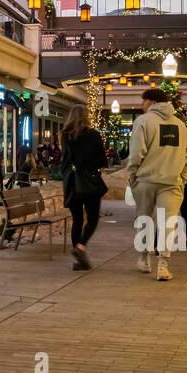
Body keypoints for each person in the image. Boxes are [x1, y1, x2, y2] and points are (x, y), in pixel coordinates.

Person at [127, 88, 187, 282]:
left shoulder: (143, 122)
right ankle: (163, 265)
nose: (141, 105)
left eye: (143, 101)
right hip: (172, 182)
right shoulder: (180, 125)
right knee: (168, 222)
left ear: (151, 102)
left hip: (145, 180)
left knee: (144, 219)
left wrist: (132, 176)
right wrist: (184, 177)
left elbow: (136, 152)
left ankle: (144, 259)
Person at [58, 105, 108, 271]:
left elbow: (64, 160)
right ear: (86, 116)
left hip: (71, 182)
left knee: (77, 220)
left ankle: (79, 260)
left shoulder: (65, 135)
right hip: (89, 182)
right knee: (92, 218)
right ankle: (80, 246)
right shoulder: (94, 135)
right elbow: (102, 160)